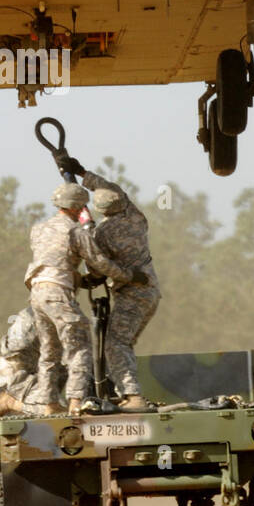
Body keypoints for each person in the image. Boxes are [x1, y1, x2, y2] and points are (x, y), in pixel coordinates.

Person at [24, 182, 138, 416]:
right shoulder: (75, 231)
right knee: (80, 345)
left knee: (49, 350)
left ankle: (49, 404)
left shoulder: (38, 229)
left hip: (37, 293)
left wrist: (80, 279)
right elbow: (99, 262)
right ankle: (75, 401)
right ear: (79, 206)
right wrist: (128, 275)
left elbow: (53, 260)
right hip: (58, 293)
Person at [58, 158, 160, 409]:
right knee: (125, 342)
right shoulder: (134, 214)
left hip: (132, 293)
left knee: (116, 343)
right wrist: (82, 172)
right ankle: (125, 392)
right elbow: (109, 188)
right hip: (151, 291)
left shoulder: (101, 234)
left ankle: (133, 396)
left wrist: (86, 226)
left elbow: (97, 268)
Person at [0, 305, 58, 419]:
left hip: (28, 367)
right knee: (56, 411)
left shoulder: (55, 308)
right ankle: (11, 402)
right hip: (18, 371)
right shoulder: (36, 315)